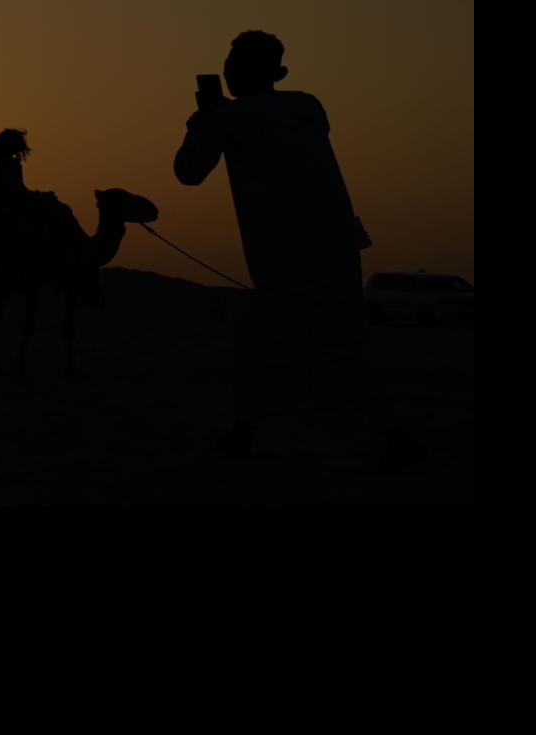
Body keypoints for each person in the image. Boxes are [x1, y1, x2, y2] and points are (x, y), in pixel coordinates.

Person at [173, 30, 427, 471]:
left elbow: (187, 172)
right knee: (302, 346)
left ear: (236, 71)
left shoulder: (228, 119)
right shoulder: (307, 106)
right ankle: (246, 434)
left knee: (290, 349)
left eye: (234, 63)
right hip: (336, 248)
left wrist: (203, 120)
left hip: (286, 257)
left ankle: (396, 437)